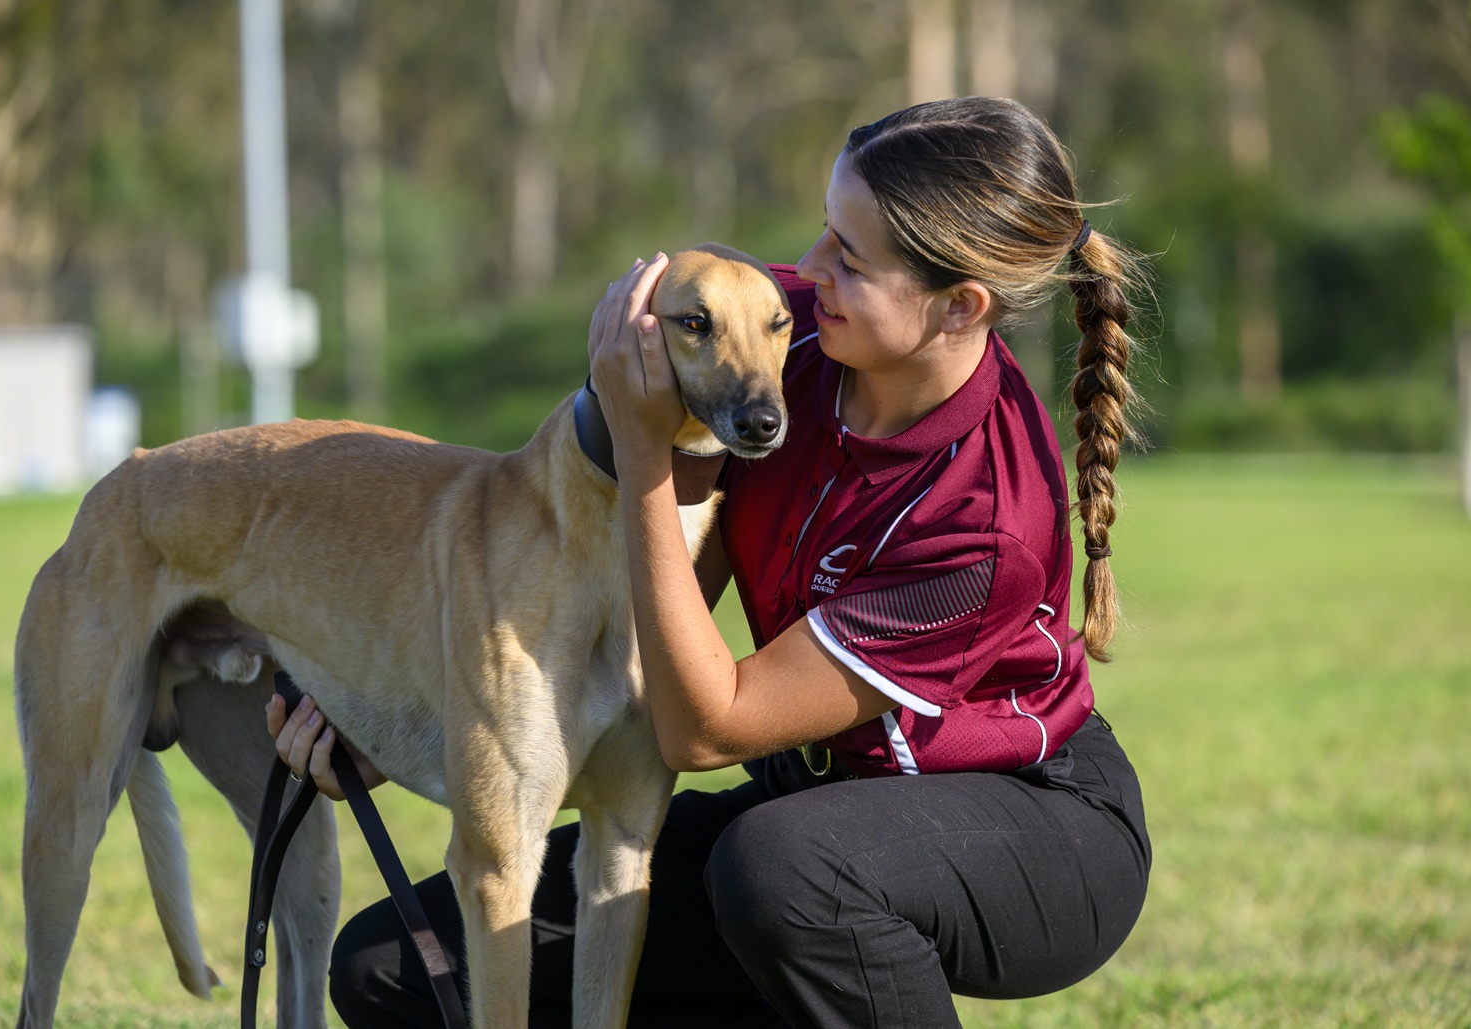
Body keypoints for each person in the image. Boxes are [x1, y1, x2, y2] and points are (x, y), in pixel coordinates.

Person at [269, 96, 1152, 1028]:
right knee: (392, 966)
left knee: (781, 873)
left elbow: (701, 729)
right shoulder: (781, 331)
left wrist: (648, 453)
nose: (807, 274)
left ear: (959, 306)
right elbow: (619, 590)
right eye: (824, 234)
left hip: (1025, 820)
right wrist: (414, 706)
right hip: (815, 797)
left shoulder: (985, 525)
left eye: (848, 260)